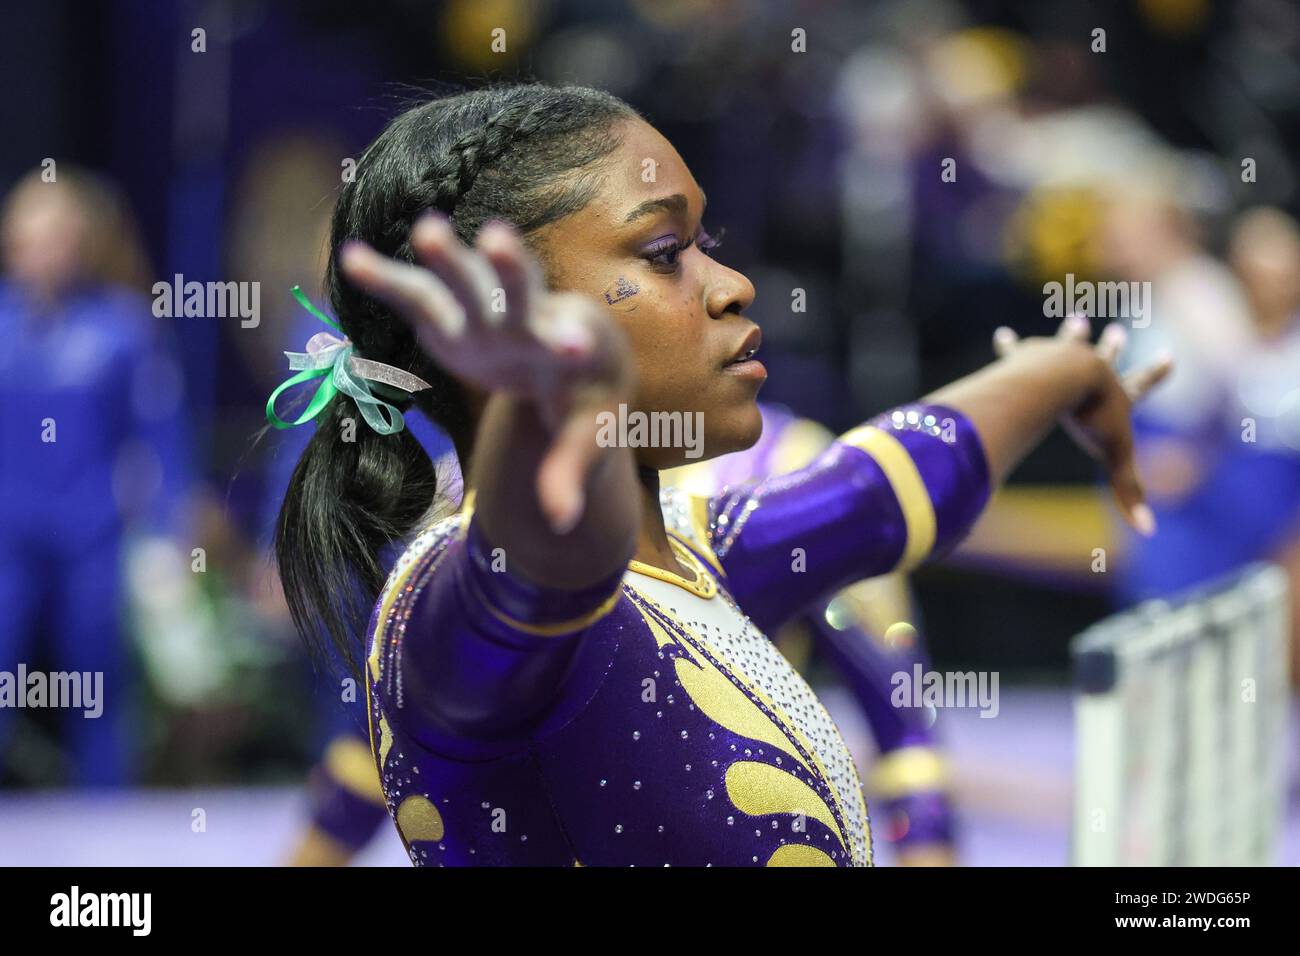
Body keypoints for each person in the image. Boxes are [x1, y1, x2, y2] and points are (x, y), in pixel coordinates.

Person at [270, 82, 1170, 866]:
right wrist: (538, 435)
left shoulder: (690, 564)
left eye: (706, 243)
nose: (731, 283)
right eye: (665, 254)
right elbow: (527, 586)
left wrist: (1066, 373)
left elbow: (881, 490)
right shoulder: (462, 592)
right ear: (512, 326)